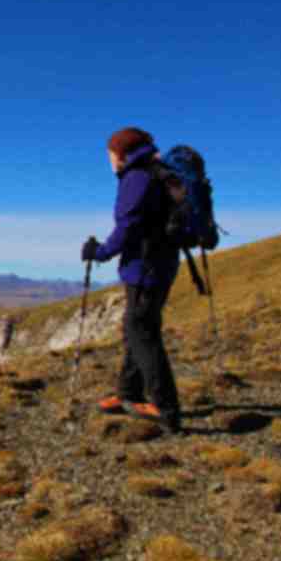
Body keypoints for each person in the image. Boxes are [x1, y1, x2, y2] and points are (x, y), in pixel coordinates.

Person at [82, 127, 182, 433]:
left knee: (142, 333)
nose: (109, 160)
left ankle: (165, 408)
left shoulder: (136, 178)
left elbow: (127, 228)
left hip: (145, 269)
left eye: (110, 154)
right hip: (160, 265)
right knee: (137, 329)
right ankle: (128, 393)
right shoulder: (158, 173)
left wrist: (99, 252)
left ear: (121, 153)